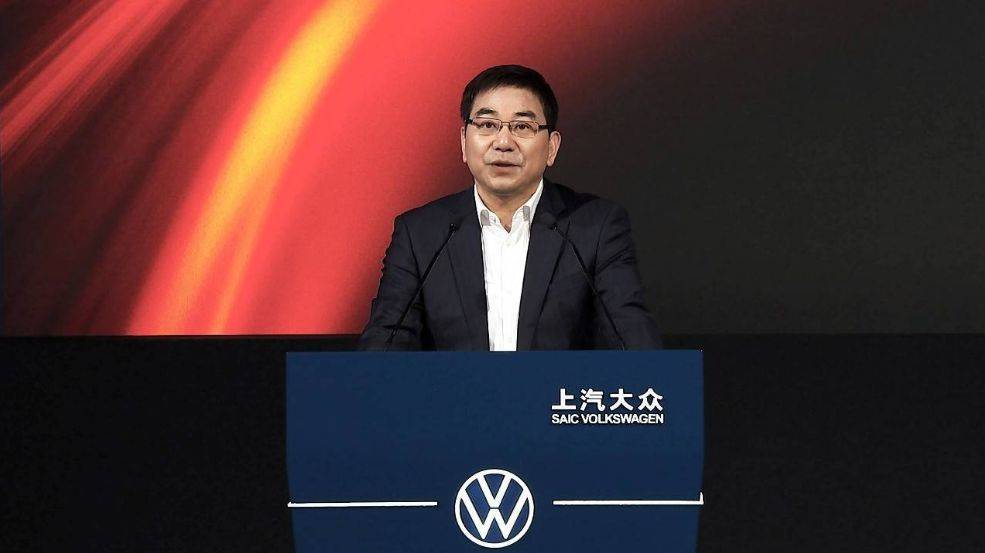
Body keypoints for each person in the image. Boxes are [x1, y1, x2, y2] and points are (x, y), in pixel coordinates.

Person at [358, 65, 660, 350]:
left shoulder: (595, 228)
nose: (503, 142)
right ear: (464, 141)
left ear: (551, 147)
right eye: (487, 125)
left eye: (522, 126)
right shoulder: (421, 234)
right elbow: (383, 352)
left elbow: (634, 345)